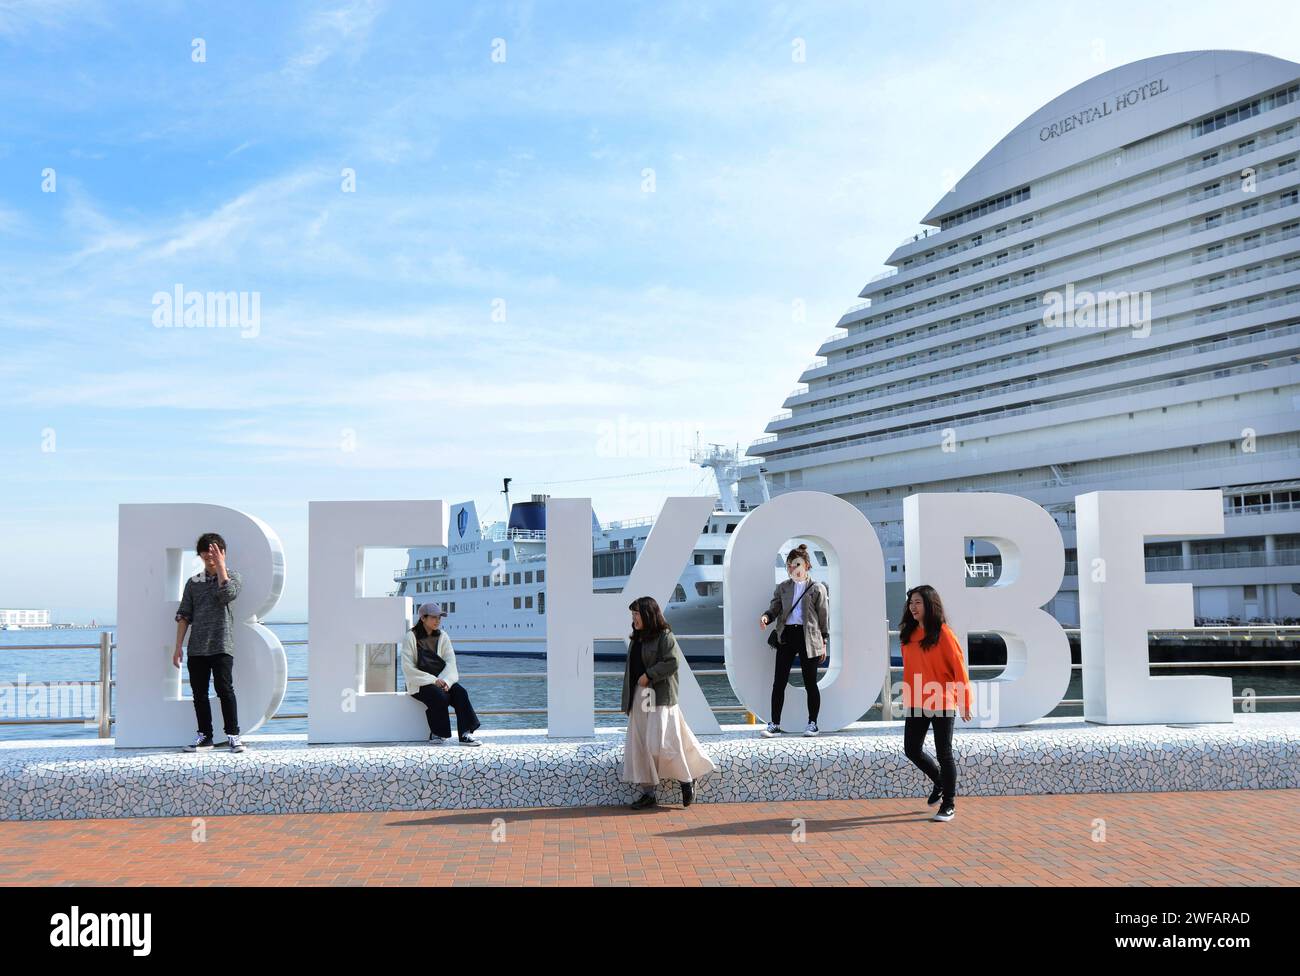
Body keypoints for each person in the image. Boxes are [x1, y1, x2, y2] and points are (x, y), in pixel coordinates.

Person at [621, 595, 715, 809]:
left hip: (660, 696)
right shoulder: (637, 637)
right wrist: (629, 699)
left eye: (637, 613)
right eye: (633, 614)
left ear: (648, 614)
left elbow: (672, 662)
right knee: (640, 744)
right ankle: (648, 793)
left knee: (661, 743)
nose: (634, 618)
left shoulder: (664, 636)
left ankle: (686, 779)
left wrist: (649, 675)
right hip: (640, 696)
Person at [898, 584, 974, 823]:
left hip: (942, 700)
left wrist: (964, 701)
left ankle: (948, 805)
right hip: (918, 700)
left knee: (944, 753)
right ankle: (940, 781)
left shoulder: (943, 633)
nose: (913, 607)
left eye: (918, 602)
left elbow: (959, 668)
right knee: (911, 749)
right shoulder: (908, 635)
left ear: (930, 604)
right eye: (911, 602)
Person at [174, 533, 245, 753]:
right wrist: (178, 647)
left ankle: (233, 735)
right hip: (197, 648)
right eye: (205, 556)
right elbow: (184, 615)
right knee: (199, 693)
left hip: (222, 644)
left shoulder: (232, 577)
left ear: (222, 553)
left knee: (225, 690)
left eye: (214, 555)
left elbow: (227, 594)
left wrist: (221, 567)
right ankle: (205, 737)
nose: (209, 559)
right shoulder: (193, 583)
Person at [758, 543, 829, 737]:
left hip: (809, 638)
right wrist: (766, 617)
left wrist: (823, 643)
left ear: (806, 565)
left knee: (810, 682)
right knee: (778, 682)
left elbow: (823, 617)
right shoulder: (783, 587)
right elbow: (774, 608)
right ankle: (774, 724)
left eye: (796, 564)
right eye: (789, 565)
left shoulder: (817, 588)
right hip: (787, 636)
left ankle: (812, 723)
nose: (792, 568)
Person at [401, 602, 482, 746]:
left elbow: (451, 662)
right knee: (439, 696)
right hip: (419, 684)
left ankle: (465, 734)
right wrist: (434, 681)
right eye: (433, 617)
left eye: (439, 617)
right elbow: (408, 668)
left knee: (460, 693)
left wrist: (447, 681)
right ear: (423, 618)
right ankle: (437, 733)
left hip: (442, 681)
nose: (437, 621)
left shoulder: (443, 636)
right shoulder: (411, 636)